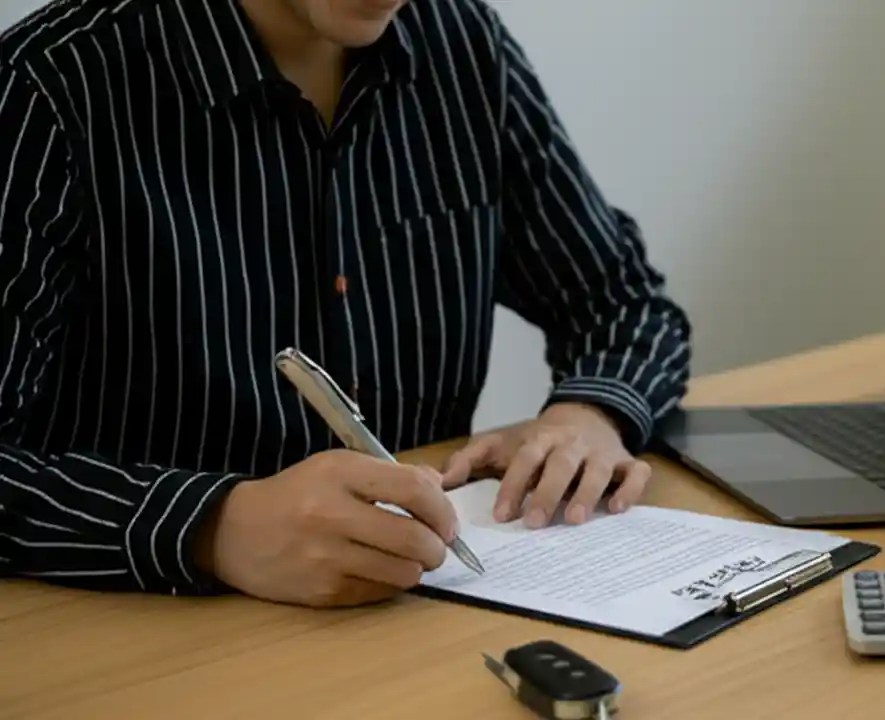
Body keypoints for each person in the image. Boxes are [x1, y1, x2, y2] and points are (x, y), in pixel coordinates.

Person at [0, 0, 691, 607]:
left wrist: (590, 413)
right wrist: (210, 526)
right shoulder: (49, 88)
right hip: (146, 633)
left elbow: (620, 299)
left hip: (422, 612)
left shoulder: (462, 44)